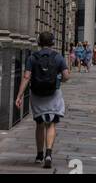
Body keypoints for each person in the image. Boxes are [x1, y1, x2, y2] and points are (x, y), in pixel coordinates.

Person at [15, 30, 69, 168]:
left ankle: (39, 155)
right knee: (51, 123)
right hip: (53, 94)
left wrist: (19, 95)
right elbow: (66, 76)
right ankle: (49, 154)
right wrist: (59, 80)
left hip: (37, 94)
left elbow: (27, 77)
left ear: (39, 42)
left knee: (39, 124)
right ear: (52, 42)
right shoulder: (58, 57)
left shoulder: (33, 58)